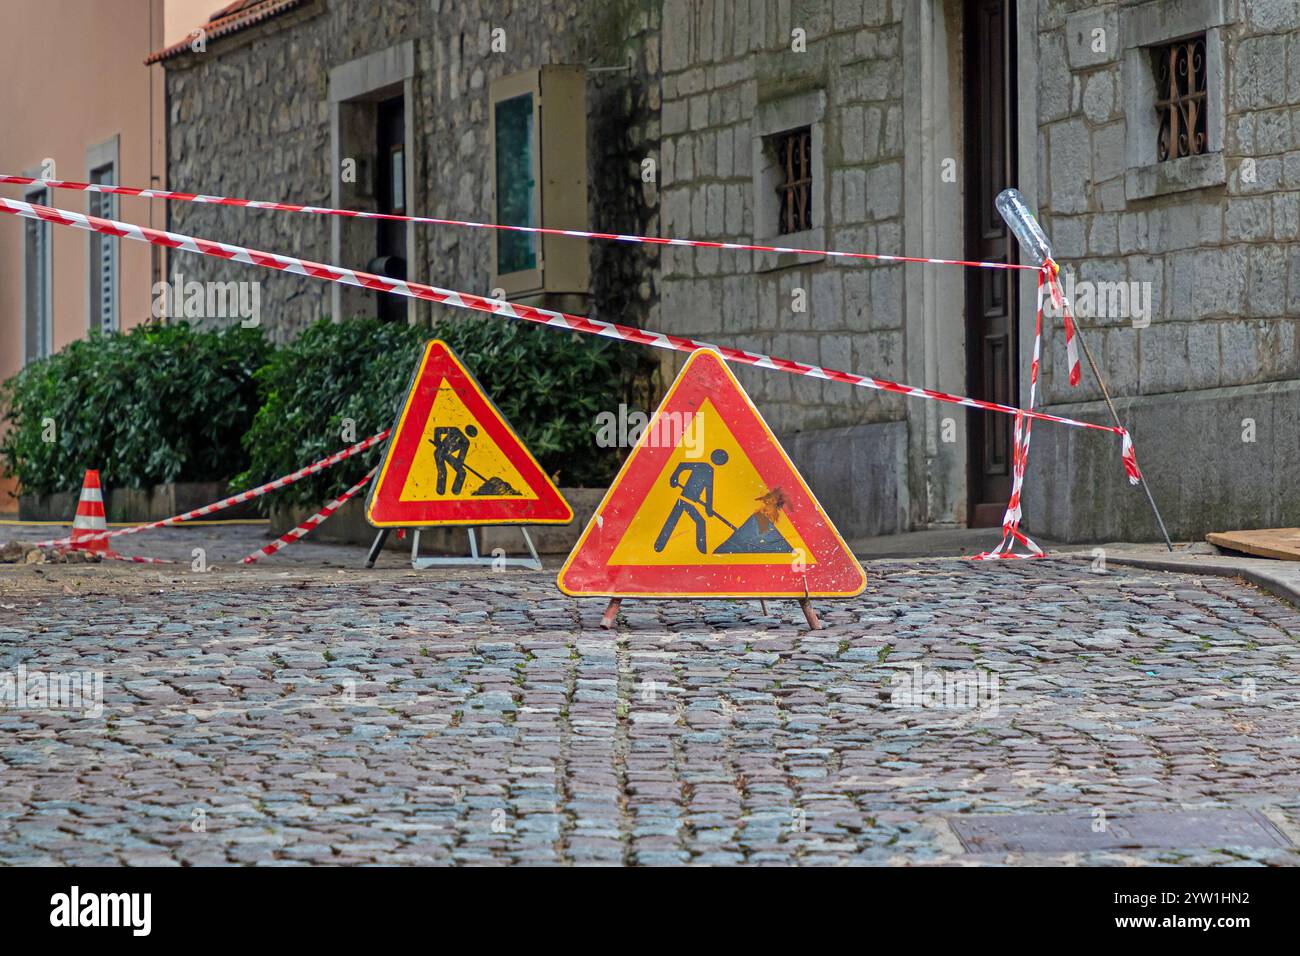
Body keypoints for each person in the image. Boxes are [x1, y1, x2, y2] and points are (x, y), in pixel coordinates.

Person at [653, 449, 728, 553]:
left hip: (687, 501)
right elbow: (682, 465)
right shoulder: (705, 467)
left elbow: (708, 491)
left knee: (673, 520)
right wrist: (674, 477)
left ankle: (658, 545)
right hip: (685, 500)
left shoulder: (708, 470)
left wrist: (708, 509)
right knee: (699, 522)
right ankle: (702, 552)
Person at [431, 424, 478, 495]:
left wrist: (459, 462)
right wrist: (437, 441)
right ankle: (440, 491)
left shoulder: (466, 442)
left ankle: (455, 491)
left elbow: (461, 456)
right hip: (439, 452)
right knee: (443, 472)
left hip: (448, 455)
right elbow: (438, 429)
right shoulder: (455, 430)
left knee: (462, 472)